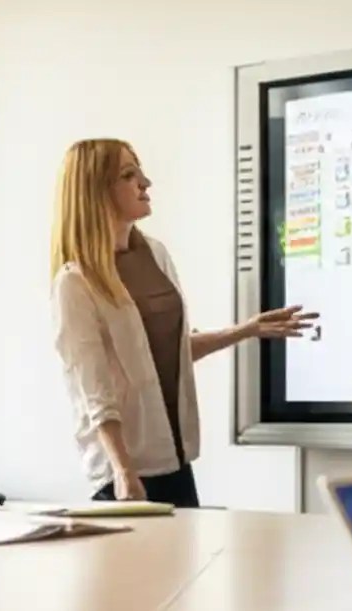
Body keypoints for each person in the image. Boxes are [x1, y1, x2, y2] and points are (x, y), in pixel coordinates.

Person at [50, 138, 315, 506]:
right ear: (96, 191)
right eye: (129, 175)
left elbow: (171, 352)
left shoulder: (156, 255)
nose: (145, 182)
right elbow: (93, 391)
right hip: (126, 472)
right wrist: (124, 472)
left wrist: (248, 329)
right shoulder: (75, 282)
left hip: (174, 457)